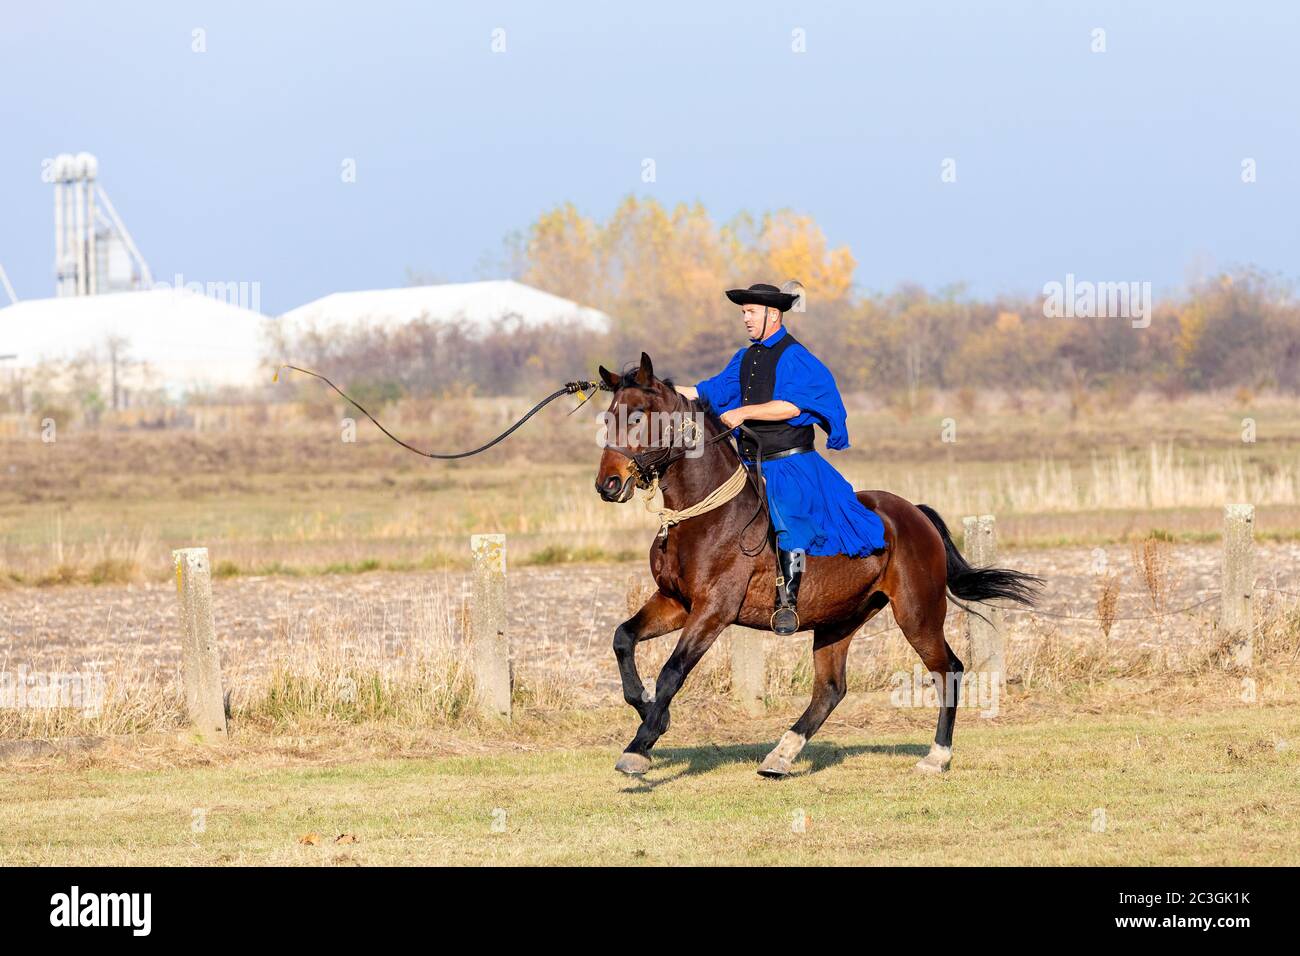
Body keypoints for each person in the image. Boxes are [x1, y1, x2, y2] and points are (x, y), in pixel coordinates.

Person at [674, 282, 886, 635]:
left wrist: (743, 413)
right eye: (743, 312)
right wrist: (648, 389)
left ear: (773, 314)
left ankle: (787, 602)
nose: (744, 318)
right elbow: (702, 393)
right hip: (750, 463)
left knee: (787, 515)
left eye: (750, 312)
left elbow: (793, 406)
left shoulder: (796, 358)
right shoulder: (743, 359)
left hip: (791, 464)